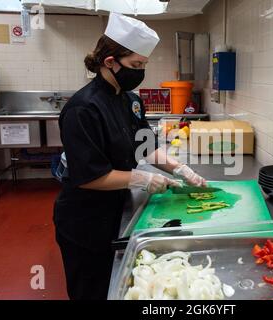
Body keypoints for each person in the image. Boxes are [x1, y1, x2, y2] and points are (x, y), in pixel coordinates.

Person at [53, 13, 206, 300]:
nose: (140, 72)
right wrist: (143, 178)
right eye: (136, 65)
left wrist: (179, 169)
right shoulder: (82, 109)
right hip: (85, 221)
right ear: (109, 62)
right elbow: (89, 177)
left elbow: (145, 146)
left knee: (119, 286)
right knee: (94, 291)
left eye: (143, 65)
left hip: (118, 209)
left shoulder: (131, 100)